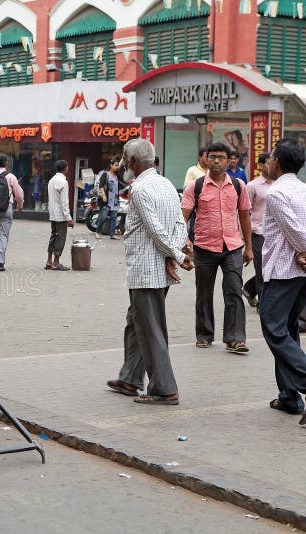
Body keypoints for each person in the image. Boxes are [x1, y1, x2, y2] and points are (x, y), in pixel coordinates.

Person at [107, 138, 192, 405]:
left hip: (145, 271)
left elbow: (155, 229)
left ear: (133, 161)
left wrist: (176, 256)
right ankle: (130, 378)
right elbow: (179, 224)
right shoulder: (166, 184)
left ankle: (164, 389)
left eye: (124, 158)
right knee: (137, 321)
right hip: (157, 268)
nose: (122, 163)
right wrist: (173, 254)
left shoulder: (140, 189)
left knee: (149, 328)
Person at [181, 142, 253, 353]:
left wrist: (249, 247)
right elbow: (182, 217)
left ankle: (235, 338)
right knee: (204, 293)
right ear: (206, 159)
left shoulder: (238, 185)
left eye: (221, 157)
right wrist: (184, 239)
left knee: (234, 291)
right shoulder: (196, 186)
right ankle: (204, 335)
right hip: (204, 247)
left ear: (229, 160)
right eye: (212, 157)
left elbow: (244, 216)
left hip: (232, 247)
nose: (216, 161)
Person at [257, 139, 306, 422]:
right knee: (287, 329)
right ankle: (289, 397)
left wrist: (303, 250)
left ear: (276, 162)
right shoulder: (302, 189)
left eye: (271, 157)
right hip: (298, 271)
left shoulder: (277, 193)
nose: (268, 161)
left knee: (273, 328)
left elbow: (297, 233)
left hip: (283, 271)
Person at [242, 152, 272, 308]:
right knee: (261, 270)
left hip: (275, 234)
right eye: (267, 162)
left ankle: (249, 289)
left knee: (273, 269)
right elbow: (244, 212)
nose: (271, 165)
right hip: (258, 233)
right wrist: (244, 236)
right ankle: (263, 304)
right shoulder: (252, 186)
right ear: (260, 165)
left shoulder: (279, 184)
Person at [46, 160, 74, 271]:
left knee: (53, 236)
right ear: (65, 168)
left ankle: (49, 260)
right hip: (61, 215)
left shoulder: (52, 180)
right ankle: (56, 262)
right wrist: (69, 218)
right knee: (60, 238)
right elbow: (64, 202)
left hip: (53, 214)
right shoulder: (63, 182)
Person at [96, 159, 121, 240]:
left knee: (114, 218)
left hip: (115, 200)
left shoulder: (117, 176)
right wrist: (104, 196)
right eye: (115, 165)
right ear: (111, 165)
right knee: (103, 217)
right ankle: (98, 232)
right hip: (106, 200)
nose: (117, 167)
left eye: (118, 165)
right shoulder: (105, 174)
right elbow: (101, 186)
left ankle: (112, 234)